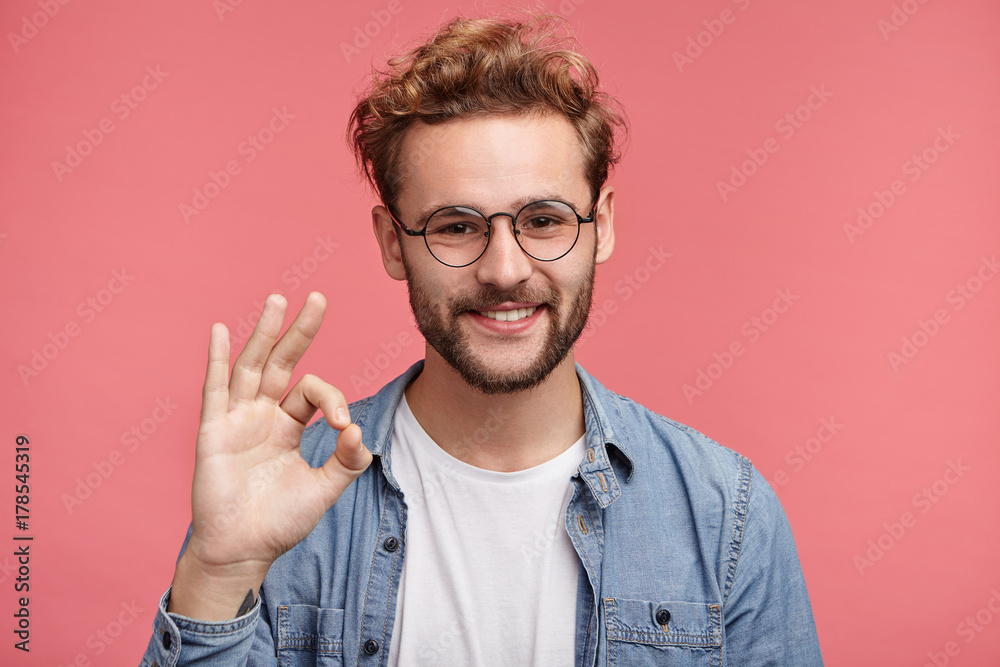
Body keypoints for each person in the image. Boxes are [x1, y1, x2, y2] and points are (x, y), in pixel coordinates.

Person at [142, 11, 822, 667]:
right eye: (456, 226)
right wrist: (215, 569)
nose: (504, 269)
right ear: (391, 243)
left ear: (601, 225)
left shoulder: (725, 514)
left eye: (545, 219)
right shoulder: (283, 501)